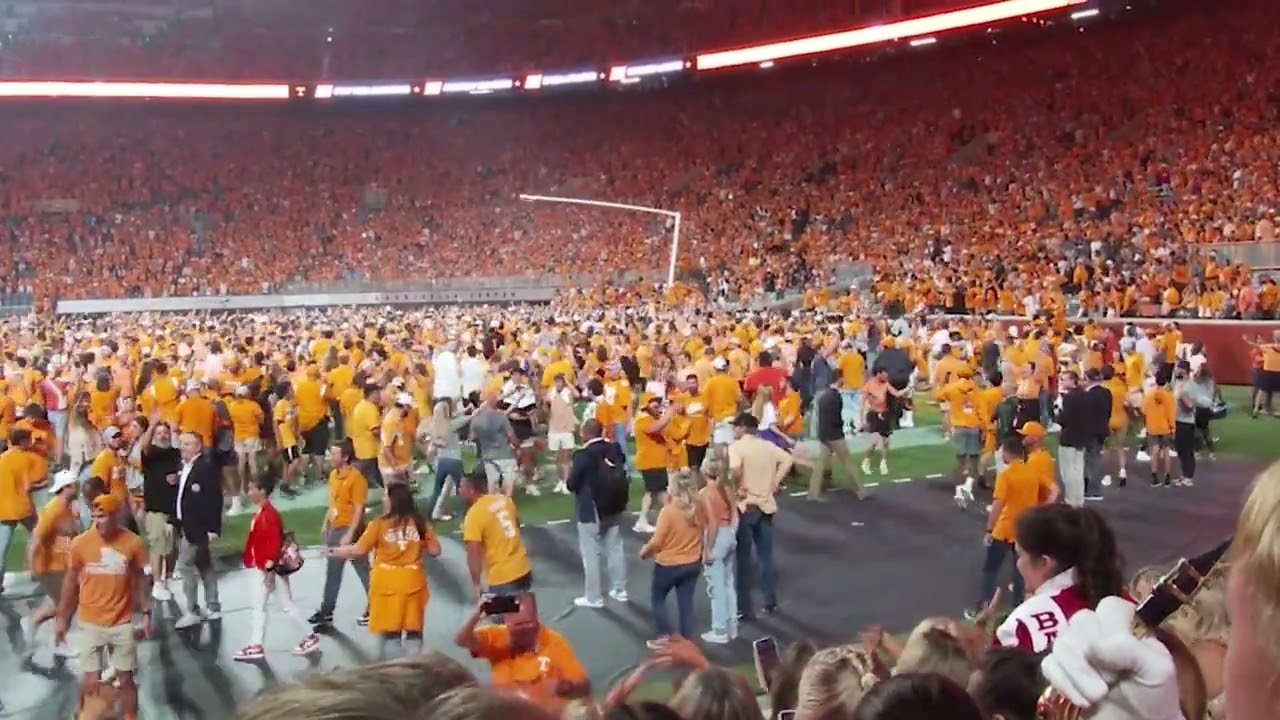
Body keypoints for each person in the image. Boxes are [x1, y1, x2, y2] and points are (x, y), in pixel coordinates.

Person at [55, 494, 152, 720]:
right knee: (90, 681)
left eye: (104, 516)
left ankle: (130, 716)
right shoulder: (80, 544)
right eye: (95, 515)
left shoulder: (132, 543)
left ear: (116, 515)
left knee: (125, 678)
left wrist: (146, 611)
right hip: (90, 622)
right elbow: (70, 582)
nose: (98, 521)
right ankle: (83, 714)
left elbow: (139, 579)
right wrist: (62, 619)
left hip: (121, 622)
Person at [330, 481, 442, 659]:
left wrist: (334, 551)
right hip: (413, 585)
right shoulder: (420, 523)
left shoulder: (378, 525)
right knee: (414, 630)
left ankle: (397, 670)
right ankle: (416, 667)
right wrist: (417, 548)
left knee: (391, 634)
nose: (383, 498)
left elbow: (359, 550)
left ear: (392, 500)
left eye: (385, 495)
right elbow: (436, 550)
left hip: (387, 587)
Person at [996, 504, 1126, 652]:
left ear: (1044, 563)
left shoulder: (1022, 627)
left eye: (1020, 555)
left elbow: (998, 673)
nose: (1017, 564)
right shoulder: (1124, 599)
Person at [235, 473, 320, 661]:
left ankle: (307, 637)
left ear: (262, 491)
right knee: (270, 605)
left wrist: (269, 570)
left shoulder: (269, 514)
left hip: (267, 570)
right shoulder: (264, 512)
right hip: (266, 569)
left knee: (268, 606)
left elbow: (273, 544)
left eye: (252, 489)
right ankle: (258, 644)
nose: (249, 492)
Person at [454, 593, 589, 711]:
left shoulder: (554, 641)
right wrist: (477, 614)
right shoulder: (498, 635)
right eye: (517, 625)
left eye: (528, 623)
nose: (523, 629)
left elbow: (584, 686)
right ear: (507, 624)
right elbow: (461, 640)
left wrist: (567, 687)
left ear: (536, 619)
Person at [974, 437, 1059, 615]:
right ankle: (1018, 607)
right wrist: (1042, 509)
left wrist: (989, 529)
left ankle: (983, 607)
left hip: (1004, 529)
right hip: (1025, 529)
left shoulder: (1005, 474)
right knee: (1019, 570)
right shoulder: (1032, 471)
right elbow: (1054, 489)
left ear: (1007, 453)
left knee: (990, 569)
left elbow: (998, 504)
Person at [729, 412, 793, 620]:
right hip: (766, 505)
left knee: (743, 560)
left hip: (746, 506)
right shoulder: (767, 446)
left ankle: (743, 607)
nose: (733, 430)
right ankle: (770, 601)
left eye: (735, 427)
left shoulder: (736, 448)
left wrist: (735, 486)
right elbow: (788, 459)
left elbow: (735, 469)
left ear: (742, 428)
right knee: (766, 557)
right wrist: (775, 481)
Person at [309, 439, 372, 628]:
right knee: (336, 571)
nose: (330, 456)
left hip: (348, 529)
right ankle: (327, 610)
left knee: (360, 569)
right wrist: (325, 522)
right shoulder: (334, 476)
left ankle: (376, 604)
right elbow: (333, 502)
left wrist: (350, 534)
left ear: (345, 457)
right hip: (335, 528)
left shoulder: (356, 479)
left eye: (334, 453)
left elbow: (359, 508)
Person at [567, 419, 629, 609]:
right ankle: (620, 590)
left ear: (585, 434)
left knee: (591, 554)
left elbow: (571, 483)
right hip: (614, 506)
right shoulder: (615, 449)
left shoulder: (583, 455)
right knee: (615, 548)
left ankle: (593, 597)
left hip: (590, 509)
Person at [640, 469, 703, 647]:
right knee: (686, 602)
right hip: (692, 563)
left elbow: (657, 541)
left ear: (674, 490)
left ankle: (663, 636)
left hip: (668, 565)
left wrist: (645, 551)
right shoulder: (699, 507)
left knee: (658, 598)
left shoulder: (669, 512)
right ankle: (687, 640)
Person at [23, 468, 80, 659]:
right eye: (74, 485)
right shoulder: (53, 510)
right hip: (49, 567)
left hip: (61, 565)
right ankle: (58, 642)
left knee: (64, 604)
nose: (77, 488)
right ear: (66, 488)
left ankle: (34, 621)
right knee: (67, 605)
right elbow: (36, 539)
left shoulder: (66, 507)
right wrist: (31, 566)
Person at [173, 431, 224, 629]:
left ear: (198, 447)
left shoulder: (205, 468)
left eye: (187, 444)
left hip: (198, 527)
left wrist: (213, 528)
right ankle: (213, 606)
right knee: (204, 565)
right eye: (182, 443)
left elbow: (214, 499)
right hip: (186, 524)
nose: (182, 447)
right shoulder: (184, 467)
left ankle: (192, 611)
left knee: (184, 565)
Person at [460, 471, 533, 598]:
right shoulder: (504, 500)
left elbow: (473, 554)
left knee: (498, 615)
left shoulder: (474, 515)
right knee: (524, 612)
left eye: (461, 487)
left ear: (471, 490)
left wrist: (476, 584)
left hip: (503, 578)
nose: (459, 491)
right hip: (523, 569)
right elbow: (516, 525)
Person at [138, 414, 180, 601]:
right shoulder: (151, 454)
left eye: (165, 432)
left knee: (172, 547)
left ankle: (168, 577)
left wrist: (177, 477)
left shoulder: (175, 453)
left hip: (174, 508)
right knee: (157, 545)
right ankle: (157, 582)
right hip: (156, 507)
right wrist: (152, 423)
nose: (163, 436)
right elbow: (144, 447)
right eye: (159, 433)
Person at [698, 457, 738, 644]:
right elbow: (735, 512)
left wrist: (707, 549)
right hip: (729, 535)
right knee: (728, 584)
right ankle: (732, 627)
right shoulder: (727, 488)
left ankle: (720, 630)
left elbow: (712, 524)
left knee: (716, 587)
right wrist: (732, 532)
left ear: (705, 471)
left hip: (716, 539)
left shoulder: (705, 494)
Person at [808, 374, 862, 501]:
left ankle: (813, 493)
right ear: (839, 380)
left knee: (820, 464)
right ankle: (861, 490)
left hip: (824, 434)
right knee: (848, 462)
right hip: (835, 435)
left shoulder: (822, 397)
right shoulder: (836, 397)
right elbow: (837, 418)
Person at [0, 427, 38, 595]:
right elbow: (28, 486)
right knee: (38, 537)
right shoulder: (26, 459)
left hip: (3, 509)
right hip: (23, 507)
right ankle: (38, 571)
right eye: (28, 440)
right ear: (22, 441)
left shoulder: (1, 459)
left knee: (2, 548)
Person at [467, 388, 521, 496]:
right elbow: (511, 435)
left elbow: (471, 438)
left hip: (487, 455)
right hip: (504, 454)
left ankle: (493, 503)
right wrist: (517, 447)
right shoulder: (500, 416)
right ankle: (507, 500)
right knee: (509, 479)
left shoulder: (475, 419)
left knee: (492, 481)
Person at [632, 394, 674, 533]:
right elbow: (654, 428)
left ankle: (642, 520)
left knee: (651, 492)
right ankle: (670, 522)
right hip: (651, 462)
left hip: (654, 462)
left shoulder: (649, 417)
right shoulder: (643, 419)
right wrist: (670, 413)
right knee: (662, 493)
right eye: (654, 404)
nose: (658, 407)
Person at [1173, 361, 1213, 487]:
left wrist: (1185, 398)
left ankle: (1188, 477)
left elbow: (1191, 405)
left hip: (1186, 421)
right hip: (1178, 419)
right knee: (1180, 449)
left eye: (1179, 369)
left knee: (1186, 450)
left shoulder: (1192, 386)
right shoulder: (1181, 383)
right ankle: (1184, 475)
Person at [1055, 370, 1089, 507]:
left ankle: (1070, 499)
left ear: (1072, 380)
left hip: (1068, 437)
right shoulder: (1085, 396)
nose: (1062, 382)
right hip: (1081, 436)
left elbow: (1064, 419)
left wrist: (1057, 415)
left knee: (1067, 471)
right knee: (1078, 469)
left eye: (1064, 379)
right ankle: (1079, 499)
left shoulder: (1069, 398)